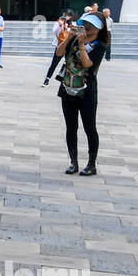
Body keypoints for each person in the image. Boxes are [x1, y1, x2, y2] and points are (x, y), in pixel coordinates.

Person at [55, 12, 108, 176]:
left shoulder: (99, 45)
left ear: (100, 28)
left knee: (89, 128)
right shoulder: (74, 39)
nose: (87, 26)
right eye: (85, 23)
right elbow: (58, 53)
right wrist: (69, 38)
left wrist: (82, 45)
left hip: (87, 93)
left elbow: (88, 64)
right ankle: (73, 162)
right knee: (71, 128)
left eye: (91, 24)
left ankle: (91, 164)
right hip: (68, 89)